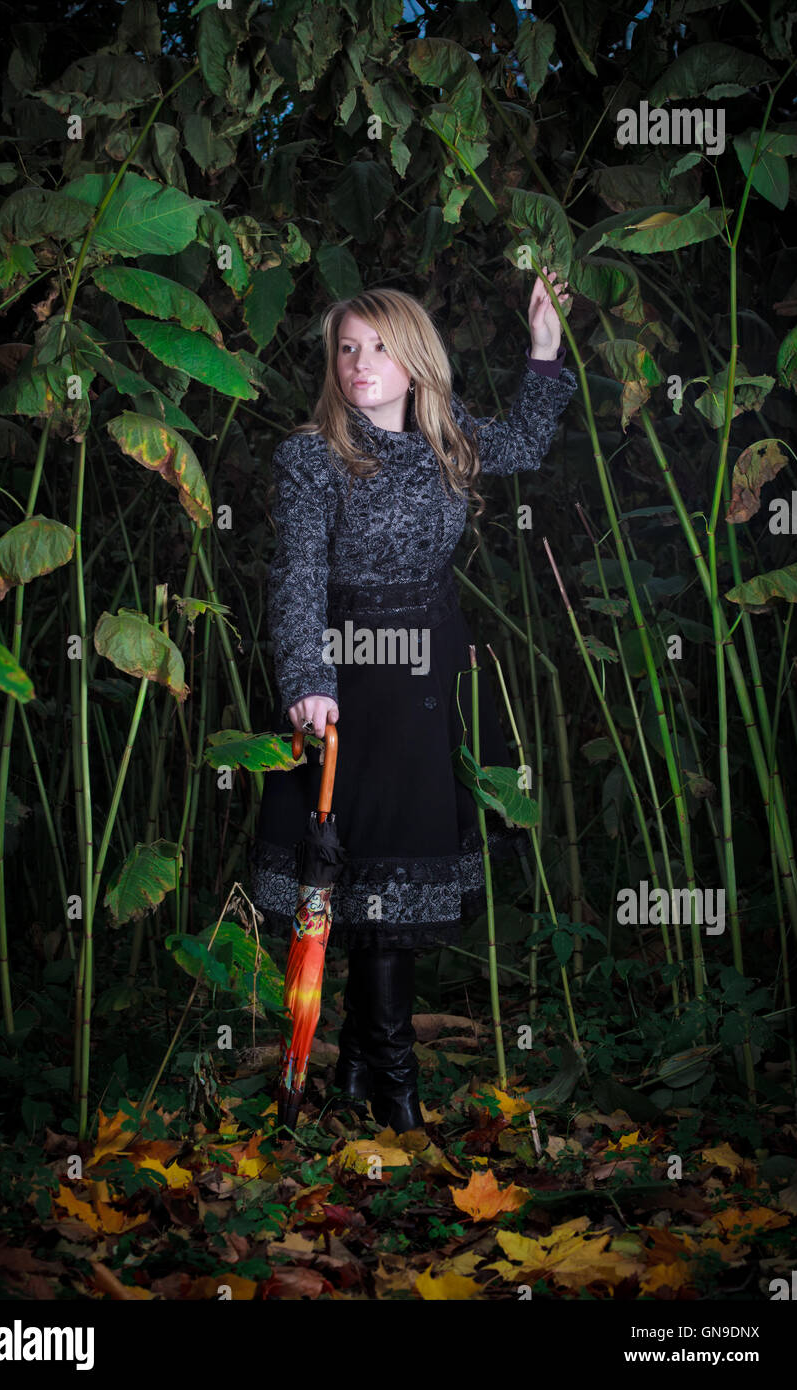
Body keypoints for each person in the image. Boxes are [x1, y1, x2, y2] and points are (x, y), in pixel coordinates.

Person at [248, 273, 577, 1132]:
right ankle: (392, 1083)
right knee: (351, 870)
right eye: (347, 349)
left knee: (394, 870)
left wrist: (544, 350)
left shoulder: (447, 437)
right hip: (345, 679)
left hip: (424, 675)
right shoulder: (312, 456)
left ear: (416, 356)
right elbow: (298, 576)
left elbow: (525, 443)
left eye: (380, 346)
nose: (361, 363)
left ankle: (364, 1067)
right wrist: (307, 681)